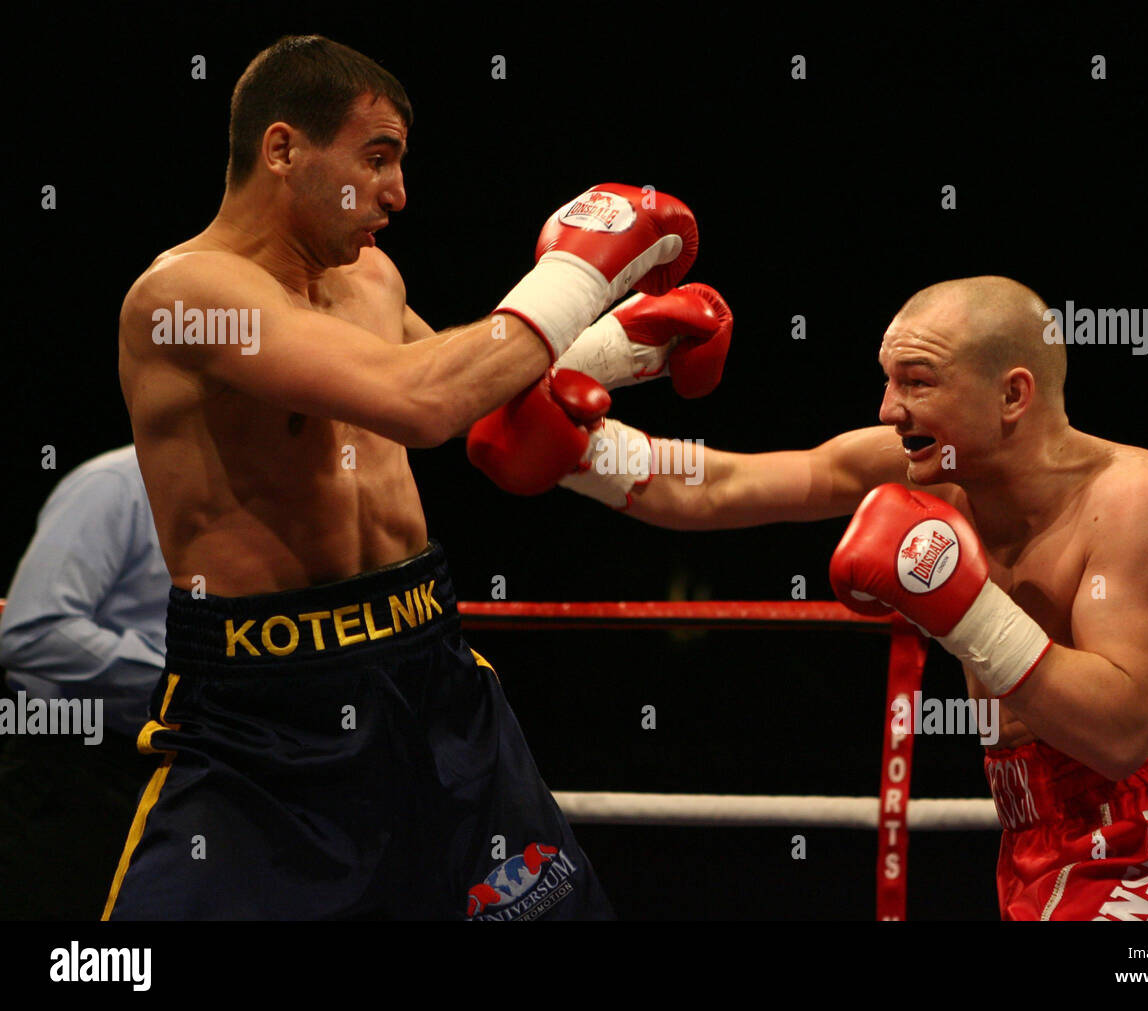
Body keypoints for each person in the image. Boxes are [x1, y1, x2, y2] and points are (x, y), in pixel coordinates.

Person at [104, 34, 728, 920]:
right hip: (267, 719)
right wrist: (581, 270)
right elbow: (419, 401)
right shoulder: (185, 296)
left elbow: (471, 393)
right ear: (282, 150)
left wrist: (622, 347)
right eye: (377, 158)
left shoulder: (369, 278)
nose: (397, 193)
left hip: (431, 671)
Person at [469, 274, 1148, 920]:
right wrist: (577, 451)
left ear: (1013, 394)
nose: (890, 410)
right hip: (1037, 827)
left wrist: (965, 610)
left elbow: (1120, 736)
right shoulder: (923, 465)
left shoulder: (1136, 502)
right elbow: (722, 484)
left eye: (917, 383)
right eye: (889, 381)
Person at [0, 444, 168, 918]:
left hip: (182, 766)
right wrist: (186, 677)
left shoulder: (253, 493)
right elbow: (33, 631)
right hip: (74, 762)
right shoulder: (115, 485)